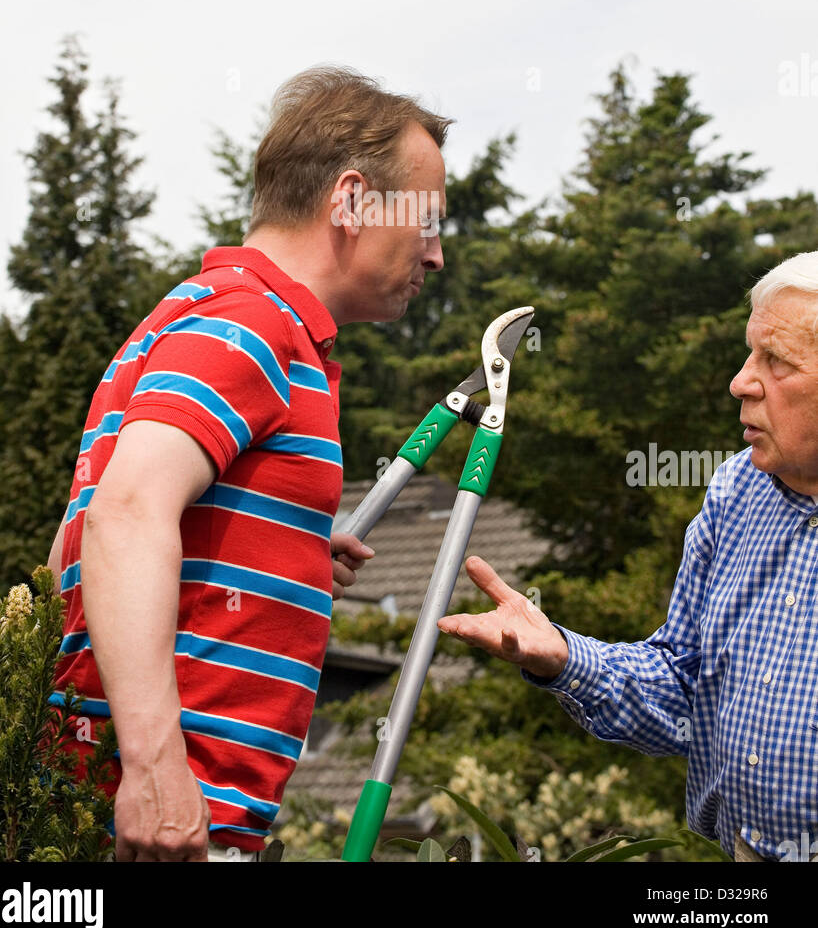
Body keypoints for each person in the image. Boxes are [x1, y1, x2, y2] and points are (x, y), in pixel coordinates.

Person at [47, 65, 450, 862]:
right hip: (171, 824)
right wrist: (158, 770)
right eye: (428, 222)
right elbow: (125, 516)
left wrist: (277, 549)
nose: (435, 256)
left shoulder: (199, 315)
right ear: (352, 201)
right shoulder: (256, 323)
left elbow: (76, 541)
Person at [438, 250, 818, 863]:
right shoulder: (736, 492)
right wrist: (564, 656)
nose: (741, 381)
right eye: (751, 353)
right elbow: (681, 688)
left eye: (776, 362)